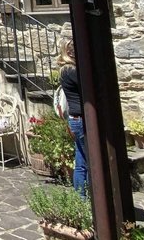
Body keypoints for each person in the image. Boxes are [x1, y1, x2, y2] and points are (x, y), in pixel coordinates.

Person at [58, 39, 87, 197]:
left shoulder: (65, 70)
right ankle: (85, 198)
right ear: (68, 52)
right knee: (87, 162)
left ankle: (81, 198)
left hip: (75, 119)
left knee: (81, 161)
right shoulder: (71, 71)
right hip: (81, 120)